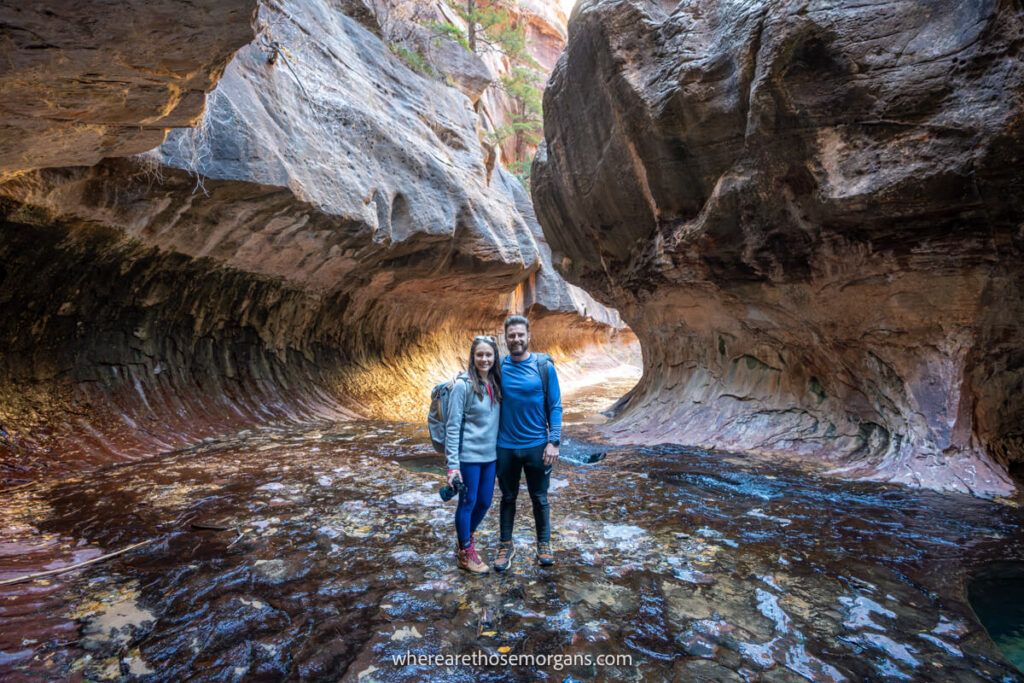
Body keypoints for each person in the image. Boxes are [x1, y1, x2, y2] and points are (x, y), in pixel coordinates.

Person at [493, 314, 562, 571]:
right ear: (506, 339)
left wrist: (553, 442)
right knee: (507, 497)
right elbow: (476, 383)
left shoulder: (544, 367)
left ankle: (543, 543)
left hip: (537, 445)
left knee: (540, 497)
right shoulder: (498, 368)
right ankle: (505, 544)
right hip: (506, 447)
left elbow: (555, 406)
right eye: (511, 335)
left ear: (528, 336)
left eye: (520, 335)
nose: (516, 339)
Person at [445, 335, 502, 574]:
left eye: (488, 354)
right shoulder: (463, 386)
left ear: (494, 357)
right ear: (472, 356)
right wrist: (452, 466)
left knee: (485, 502)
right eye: (480, 354)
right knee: (468, 503)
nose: (484, 359)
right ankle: (466, 552)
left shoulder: (496, 383)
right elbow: (452, 426)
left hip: (490, 457)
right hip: (468, 457)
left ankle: (465, 541)